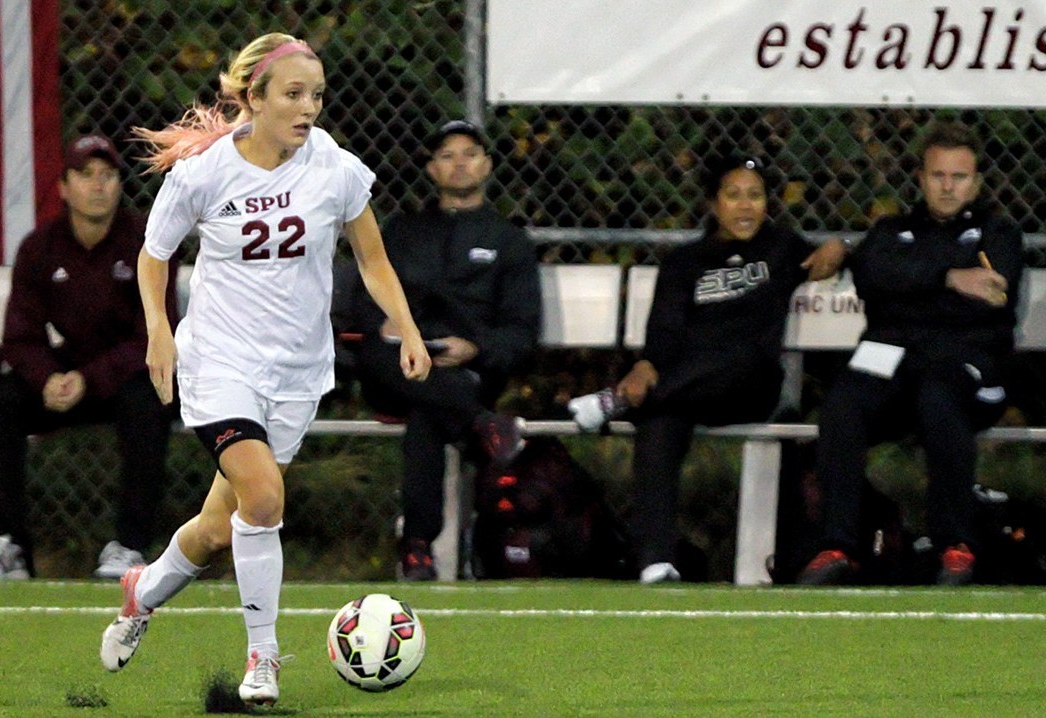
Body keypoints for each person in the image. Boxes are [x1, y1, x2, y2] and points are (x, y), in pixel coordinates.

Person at [97, 33, 431, 708]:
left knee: (222, 527)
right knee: (267, 497)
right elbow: (154, 256)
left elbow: (371, 260)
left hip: (297, 373)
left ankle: (144, 591)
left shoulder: (333, 166)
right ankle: (264, 656)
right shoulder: (205, 172)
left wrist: (409, 328)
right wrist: (160, 332)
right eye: (293, 95)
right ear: (253, 98)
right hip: (220, 360)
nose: (308, 108)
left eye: (316, 95)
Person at [568, 152, 846, 584]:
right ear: (713, 204)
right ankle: (656, 561)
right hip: (688, 391)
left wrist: (836, 246)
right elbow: (663, 335)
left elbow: (826, 257)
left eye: (755, 196)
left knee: (741, 356)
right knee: (658, 421)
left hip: (750, 389)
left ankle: (617, 401)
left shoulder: (781, 247)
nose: (745, 206)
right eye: (733, 195)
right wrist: (646, 367)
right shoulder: (685, 263)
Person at [797, 122, 1024, 587]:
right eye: (938, 175)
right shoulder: (891, 230)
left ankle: (955, 546)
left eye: (959, 177)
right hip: (890, 359)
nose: (947, 186)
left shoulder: (998, 234)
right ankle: (839, 547)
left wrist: (910, 289)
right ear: (920, 178)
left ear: (976, 182)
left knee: (940, 395)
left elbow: (989, 298)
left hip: (964, 364)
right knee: (842, 404)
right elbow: (871, 276)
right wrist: (948, 278)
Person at [0, 134, 177, 581]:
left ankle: (130, 545)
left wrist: (90, 377)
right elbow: (19, 336)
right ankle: (10, 546)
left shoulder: (148, 242)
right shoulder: (40, 248)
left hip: (127, 374)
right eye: (85, 175)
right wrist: (46, 378)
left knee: (151, 400)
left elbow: (155, 333)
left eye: (107, 175)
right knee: (5, 398)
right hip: (67, 376)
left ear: (120, 185)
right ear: (63, 187)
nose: (98, 185)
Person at [345, 119, 541, 581]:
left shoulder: (508, 241)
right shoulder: (402, 231)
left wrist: (474, 348)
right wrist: (395, 327)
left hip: (464, 373)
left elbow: (521, 332)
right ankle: (483, 425)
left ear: (487, 164)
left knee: (428, 415)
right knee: (380, 349)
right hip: (396, 366)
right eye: (447, 155)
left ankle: (417, 546)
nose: (459, 163)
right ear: (432, 169)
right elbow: (364, 305)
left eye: (469, 153)